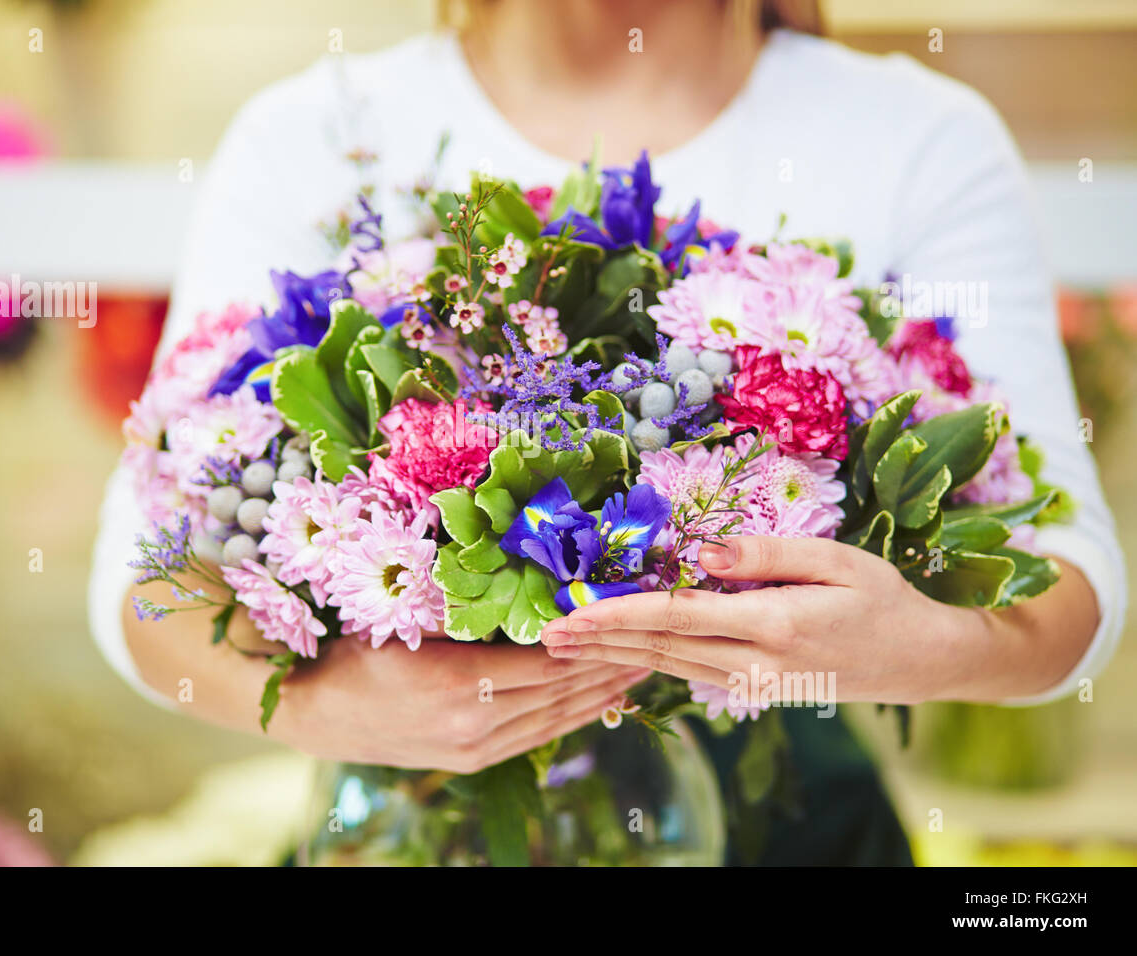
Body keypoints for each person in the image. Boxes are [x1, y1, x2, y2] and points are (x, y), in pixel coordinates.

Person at [89, 0, 1126, 864]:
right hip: (418, 803)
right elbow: (139, 582)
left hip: (789, 825)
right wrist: (330, 706)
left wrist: (917, 646)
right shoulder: (313, 129)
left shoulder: (919, 135)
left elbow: (1069, 577)